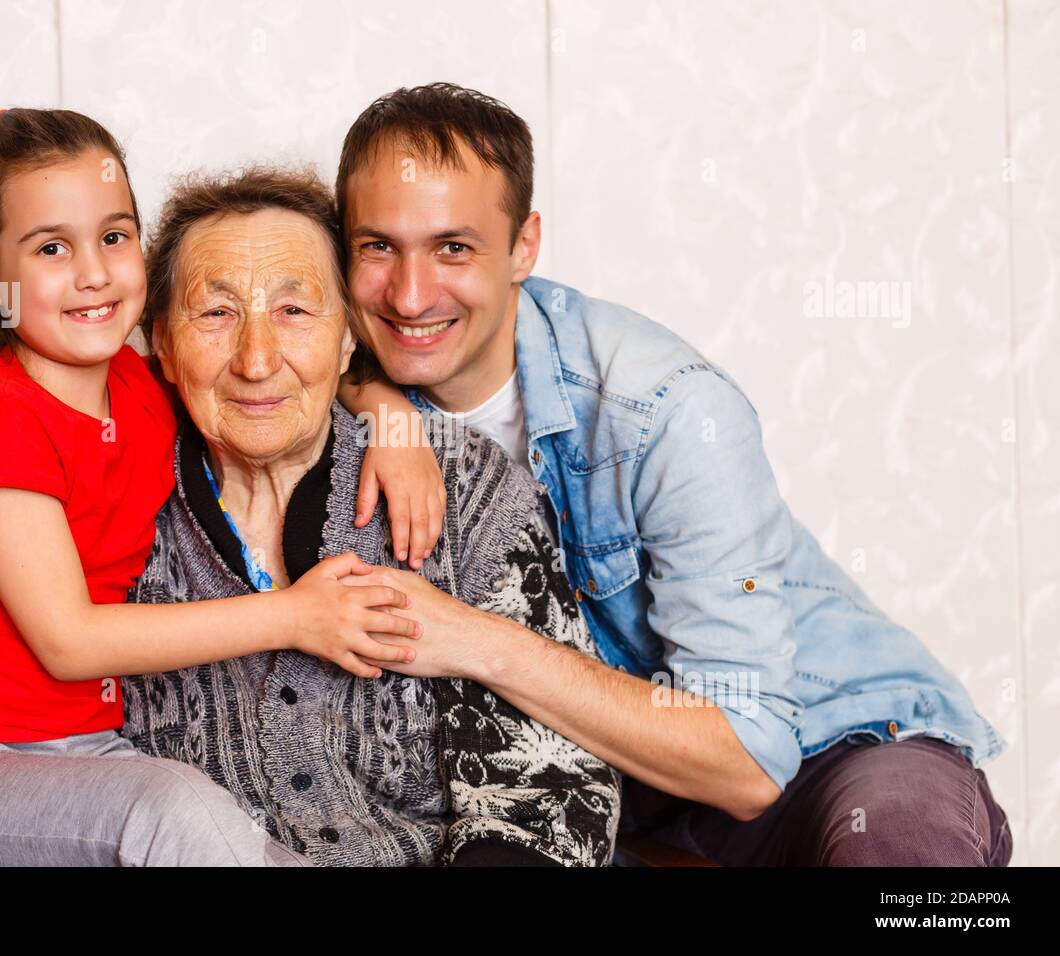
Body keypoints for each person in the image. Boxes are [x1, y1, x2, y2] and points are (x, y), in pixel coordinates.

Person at [0, 161, 622, 867]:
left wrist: (392, 410)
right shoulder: (114, 494)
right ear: (158, 339)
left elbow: (549, 782)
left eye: (296, 311)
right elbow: (7, 635)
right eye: (215, 313)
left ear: (346, 341)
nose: (257, 358)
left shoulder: (462, 491)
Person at [328, 82, 1011, 866]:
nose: (410, 295)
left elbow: (750, 756)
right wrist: (380, 401)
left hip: (827, 747)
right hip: (619, 796)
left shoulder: (666, 409)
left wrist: (476, 642)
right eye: (378, 246)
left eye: (453, 247)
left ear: (523, 247)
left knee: (900, 862)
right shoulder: (350, 377)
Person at [0, 108, 432, 867]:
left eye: (114, 237)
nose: (93, 272)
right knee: (170, 809)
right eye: (52, 247)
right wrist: (293, 615)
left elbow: (270, 372)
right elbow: (69, 642)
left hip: (80, 760)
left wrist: (390, 413)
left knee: (214, 827)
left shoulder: (140, 382)